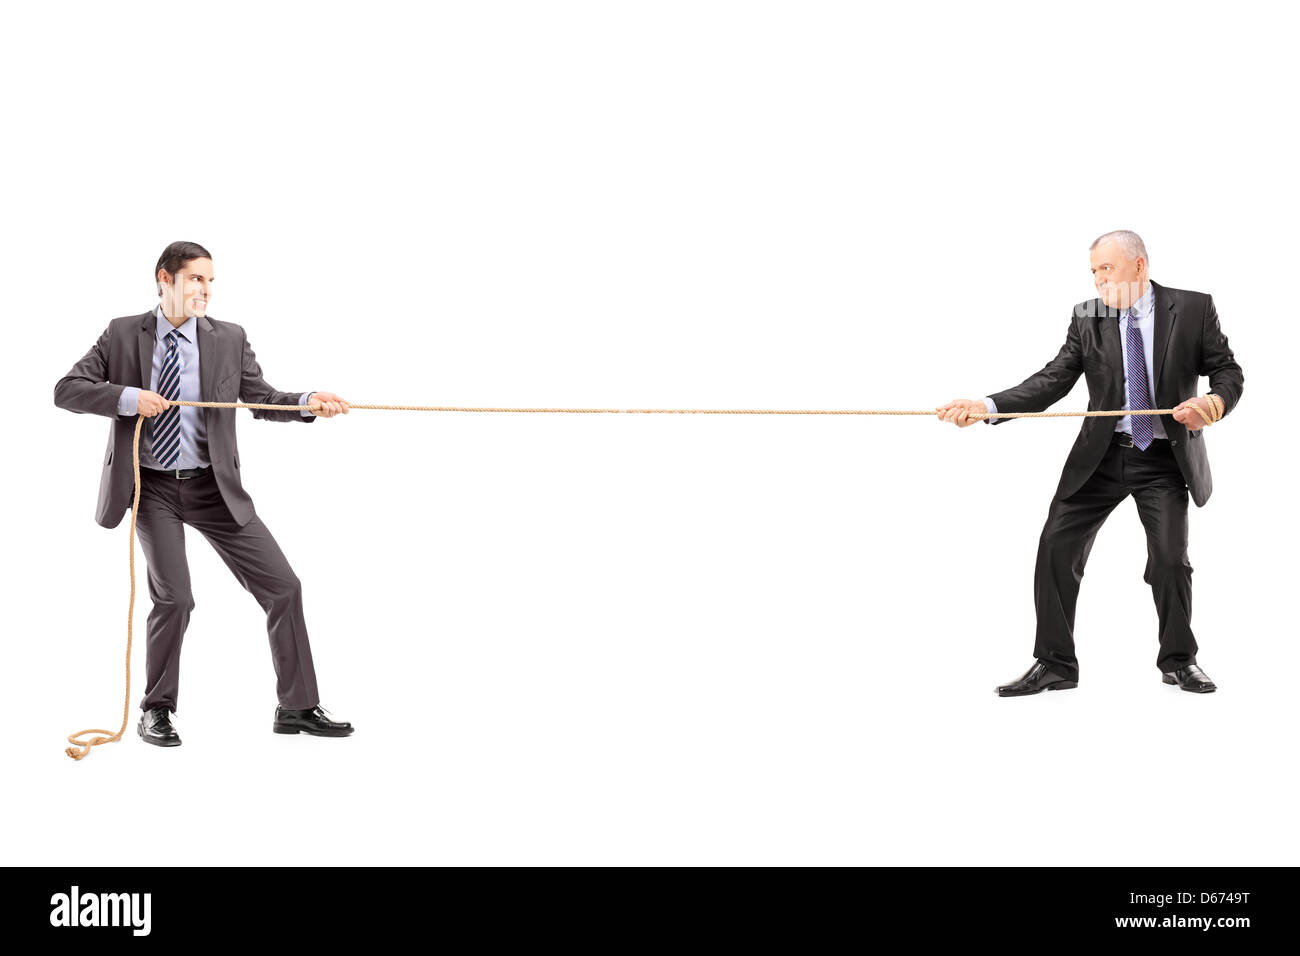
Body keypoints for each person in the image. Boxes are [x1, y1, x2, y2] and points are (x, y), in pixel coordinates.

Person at [55, 241, 356, 744]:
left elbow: (261, 400)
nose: (205, 290)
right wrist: (127, 397)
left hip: (213, 489)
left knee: (284, 587)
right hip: (153, 490)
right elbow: (67, 389)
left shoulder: (229, 338)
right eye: (196, 279)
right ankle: (158, 709)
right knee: (175, 598)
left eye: (210, 281)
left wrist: (307, 402)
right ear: (164, 279)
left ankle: (297, 707)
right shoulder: (124, 332)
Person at [937, 230, 1243, 696]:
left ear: (1139, 266)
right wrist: (988, 406)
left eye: (1107, 269)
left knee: (1168, 562)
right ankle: (1055, 664)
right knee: (1055, 547)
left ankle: (1180, 661)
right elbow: (1053, 378)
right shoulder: (1089, 315)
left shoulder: (1194, 308)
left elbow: (1227, 370)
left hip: (1163, 458)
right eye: (1094, 271)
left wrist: (1213, 403)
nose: (1099, 281)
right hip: (1100, 458)